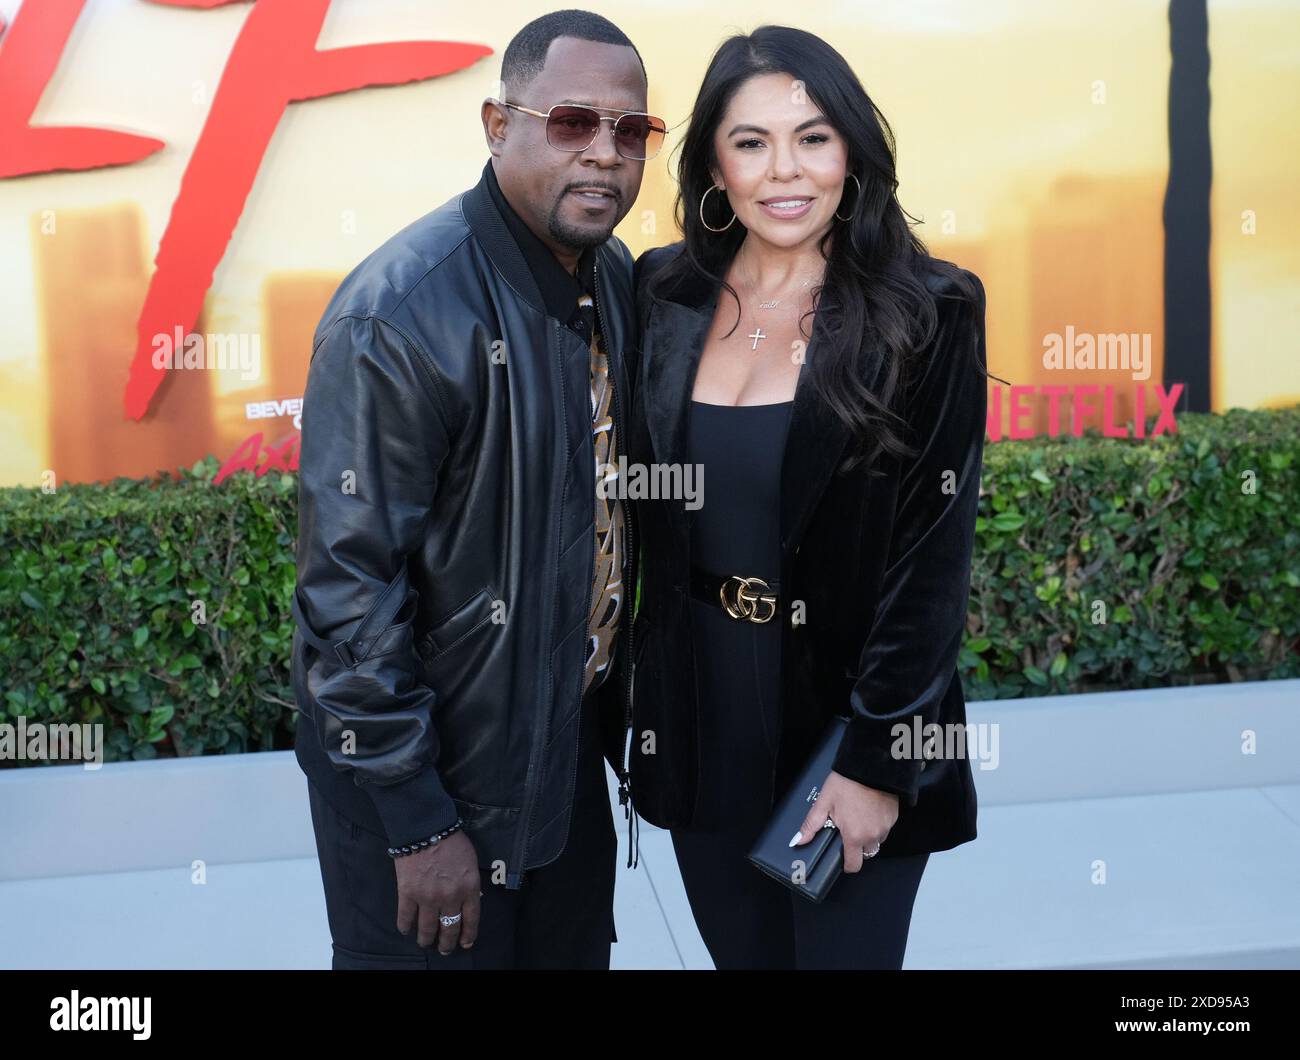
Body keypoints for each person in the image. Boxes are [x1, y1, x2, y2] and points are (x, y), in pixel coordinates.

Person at [290, 9, 662, 969]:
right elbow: (348, 593)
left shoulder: (611, 276)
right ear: (500, 126)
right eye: (573, 122)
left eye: (631, 132)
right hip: (431, 791)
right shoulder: (401, 314)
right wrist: (417, 823)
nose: (606, 156)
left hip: (560, 757)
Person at [626, 24, 994, 969]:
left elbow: (931, 563)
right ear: (714, 160)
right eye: (751, 142)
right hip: (701, 720)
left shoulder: (930, 310)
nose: (785, 171)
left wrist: (876, 762)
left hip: (848, 725)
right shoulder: (660, 293)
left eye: (814, 137)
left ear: (852, 152)